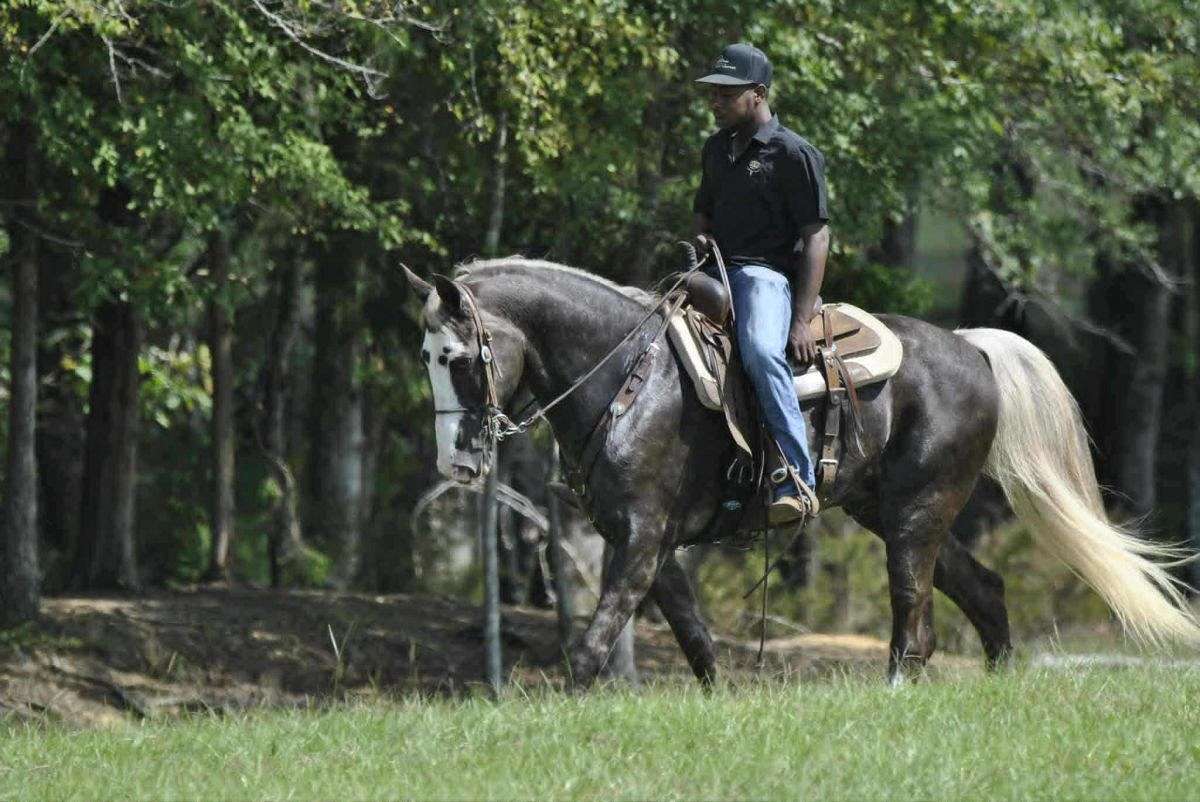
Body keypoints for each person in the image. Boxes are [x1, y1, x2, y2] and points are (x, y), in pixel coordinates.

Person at [692, 42, 830, 525]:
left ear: (758, 94)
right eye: (712, 93)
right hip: (711, 271)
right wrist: (701, 239)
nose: (715, 103)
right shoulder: (715, 149)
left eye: (725, 95)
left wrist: (802, 319)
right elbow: (704, 211)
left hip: (764, 276)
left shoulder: (794, 154)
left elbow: (816, 236)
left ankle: (796, 475)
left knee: (758, 350)